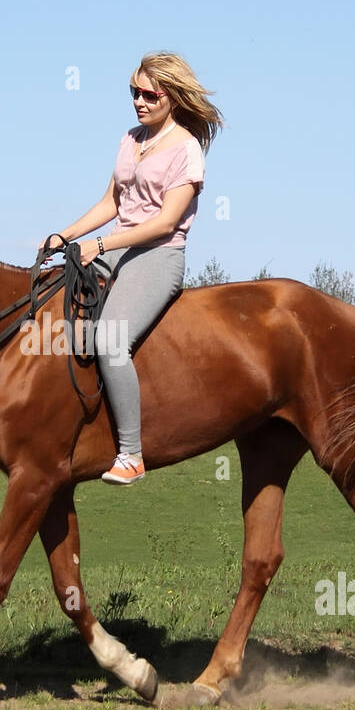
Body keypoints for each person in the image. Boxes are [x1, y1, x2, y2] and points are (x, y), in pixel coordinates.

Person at [44, 51, 223, 484]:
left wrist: (99, 244)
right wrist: (64, 236)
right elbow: (112, 203)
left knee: (109, 340)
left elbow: (162, 222)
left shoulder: (187, 151)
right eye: (133, 92)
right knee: (50, 306)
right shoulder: (131, 138)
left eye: (148, 94)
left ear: (172, 97)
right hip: (116, 248)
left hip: (158, 254)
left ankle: (130, 453)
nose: (139, 101)